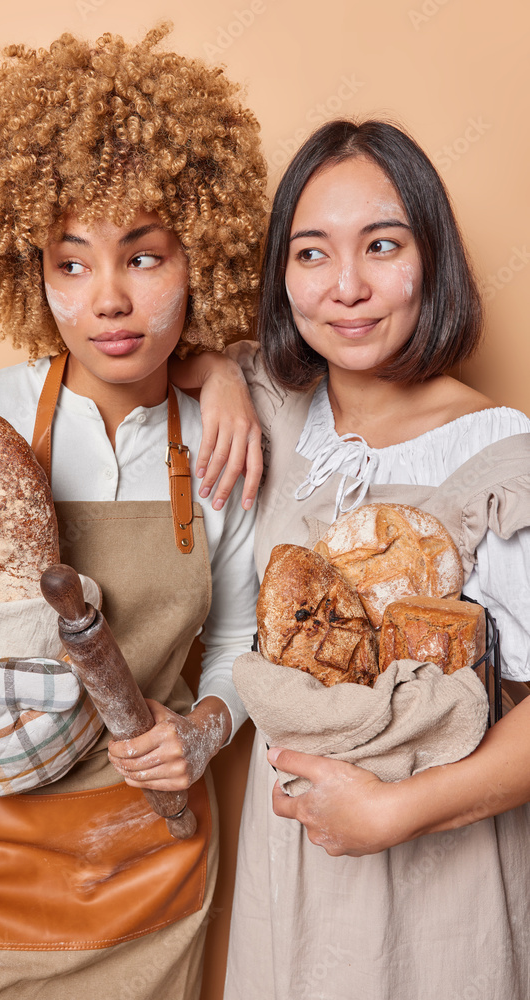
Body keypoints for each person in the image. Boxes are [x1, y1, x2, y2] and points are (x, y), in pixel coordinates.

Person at [0, 24, 268, 999]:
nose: (111, 301)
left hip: (153, 882)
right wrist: (6, 724)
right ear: (27, 269)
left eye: (145, 256)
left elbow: (243, 635)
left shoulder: (222, 438)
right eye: (72, 262)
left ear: (198, 255)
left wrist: (205, 729)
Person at [177, 119, 530, 1000]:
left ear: (432, 259)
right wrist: (218, 373)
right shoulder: (278, 405)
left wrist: (390, 812)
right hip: (288, 868)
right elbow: (167, 348)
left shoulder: (499, 457)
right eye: (310, 253)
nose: (346, 287)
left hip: (438, 872)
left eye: (381, 245)